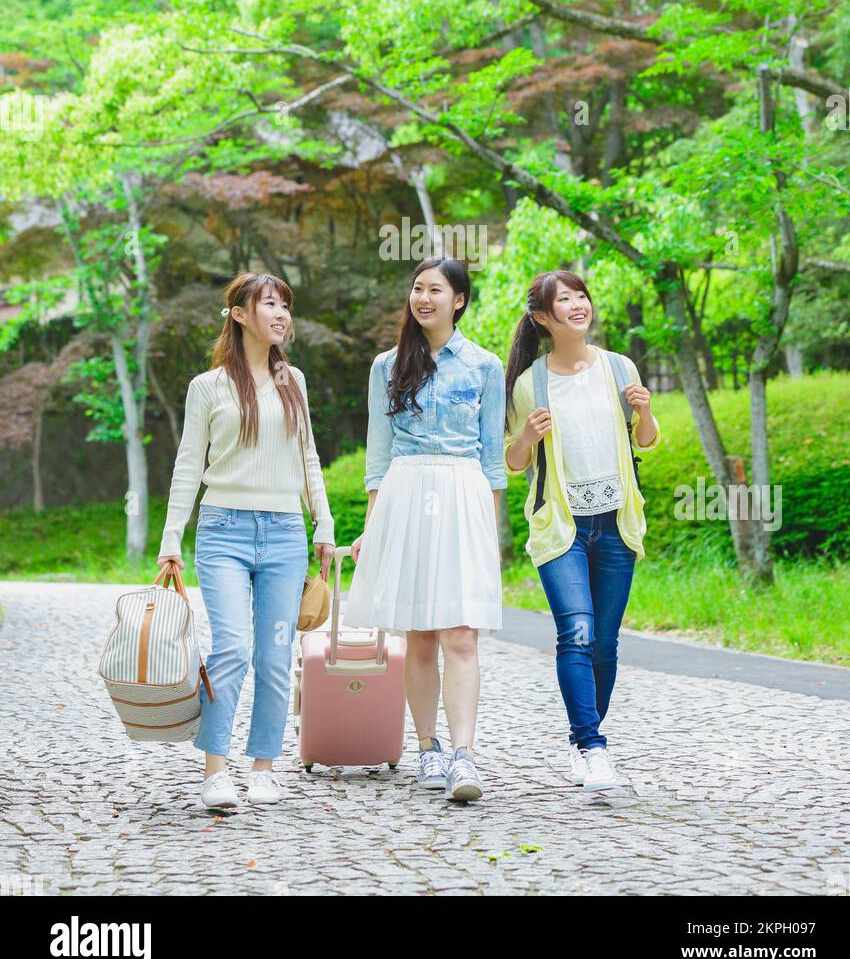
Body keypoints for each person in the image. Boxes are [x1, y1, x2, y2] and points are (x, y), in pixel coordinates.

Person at [156, 272, 335, 811]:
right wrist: (170, 539)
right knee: (232, 647)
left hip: (284, 534)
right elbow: (189, 465)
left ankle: (262, 767)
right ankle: (215, 771)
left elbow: (308, 457)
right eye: (269, 305)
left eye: (285, 305)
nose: (281, 314)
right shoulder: (207, 387)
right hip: (223, 531)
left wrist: (322, 523)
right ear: (238, 314)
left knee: (276, 655)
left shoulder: (293, 381)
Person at [345, 257, 506, 802]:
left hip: (462, 494)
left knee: (461, 631)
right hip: (406, 493)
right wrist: (373, 525)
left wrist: (490, 528)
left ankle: (465, 756)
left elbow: (491, 460)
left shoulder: (485, 366)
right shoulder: (386, 365)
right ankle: (428, 748)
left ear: (458, 299)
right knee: (418, 634)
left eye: (436, 290)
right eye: (417, 289)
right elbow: (378, 454)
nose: (424, 298)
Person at [504, 271, 661, 792]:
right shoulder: (531, 384)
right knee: (576, 632)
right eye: (563, 300)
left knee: (606, 643)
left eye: (580, 296)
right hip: (561, 526)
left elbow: (648, 439)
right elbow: (512, 461)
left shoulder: (620, 368)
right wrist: (526, 436)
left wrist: (644, 410)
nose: (577, 305)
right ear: (543, 318)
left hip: (615, 522)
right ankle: (591, 746)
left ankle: (584, 740)